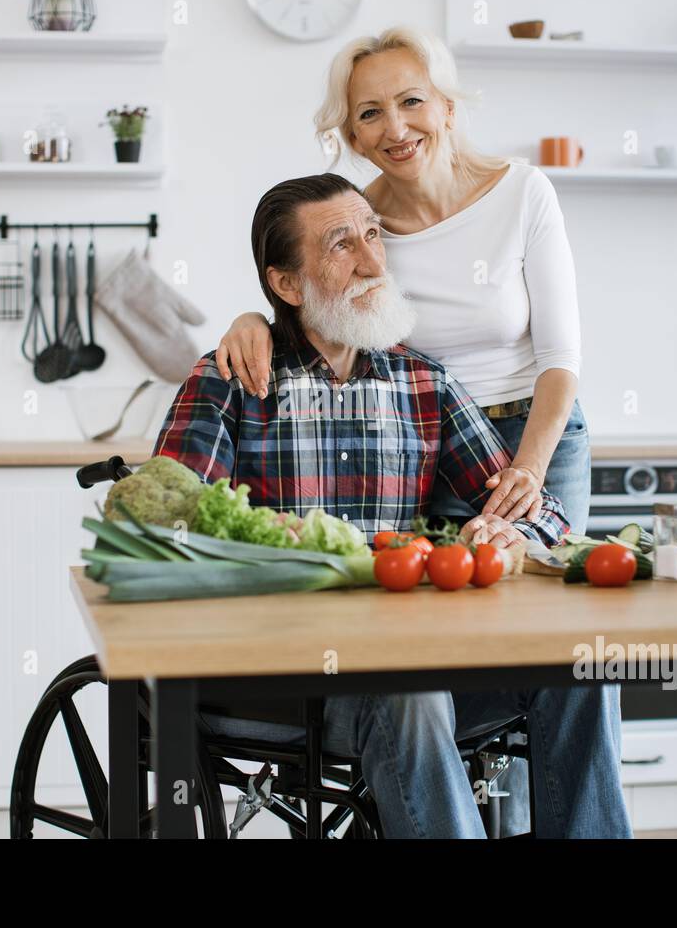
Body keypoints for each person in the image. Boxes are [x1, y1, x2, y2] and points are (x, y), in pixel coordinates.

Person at [153, 172, 630, 838]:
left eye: (374, 234)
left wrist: (514, 529)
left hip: (410, 671)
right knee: (410, 685)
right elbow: (168, 528)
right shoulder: (230, 380)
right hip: (275, 679)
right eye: (342, 245)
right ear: (287, 285)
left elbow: (540, 512)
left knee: (582, 667)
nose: (375, 261)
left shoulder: (424, 382)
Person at [213, 27, 601, 835]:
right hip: (425, 448)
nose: (395, 127)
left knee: (558, 647)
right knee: (423, 665)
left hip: (528, 431)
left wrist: (524, 484)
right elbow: (306, 286)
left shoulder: (520, 193)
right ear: (349, 132)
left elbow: (561, 361)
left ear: (448, 106)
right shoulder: (357, 215)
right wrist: (252, 314)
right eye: (369, 114)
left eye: (412, 100)